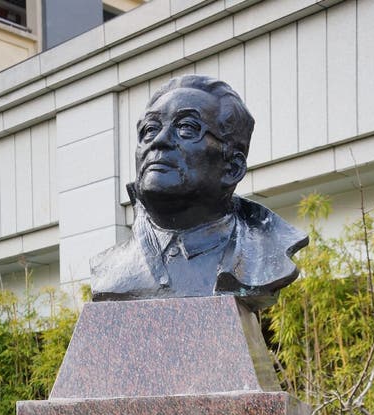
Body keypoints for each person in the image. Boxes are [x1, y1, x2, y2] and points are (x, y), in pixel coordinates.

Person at [90, 75, 308, 311]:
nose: (160, 140)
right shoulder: (109, 270)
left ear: (232, 167)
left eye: (186, 128)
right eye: (150, 129)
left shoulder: (264, 259)